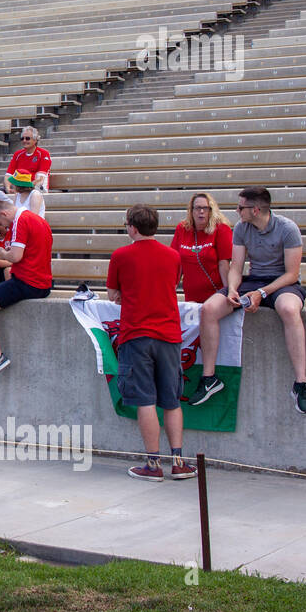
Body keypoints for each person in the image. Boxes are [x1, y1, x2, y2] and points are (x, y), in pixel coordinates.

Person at [189, 186, 306, 415]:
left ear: (255, 210)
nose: (237, 211)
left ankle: (301, 383)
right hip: (252, 280)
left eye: (241, 207)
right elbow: (236, 266)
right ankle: (209, 378)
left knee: (288, 308)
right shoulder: (242, 228)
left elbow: (292, 274)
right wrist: (233, 289)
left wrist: (262, 293)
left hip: (282, 283)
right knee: (209, 308)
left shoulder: (287, 229)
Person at [106, 205, 198, 482]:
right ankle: (179, 462)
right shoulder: (173, 255)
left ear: (132, 227)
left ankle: (153, 463)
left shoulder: (121, 255)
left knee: (145, 400)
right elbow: (174, 284)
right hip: (169, 335)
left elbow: (113, 295)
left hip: (137, 334)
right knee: (171, 401)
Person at [0, 200, 54, 379]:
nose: (2, 227)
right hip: (43, 282)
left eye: (0, 223)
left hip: (27, 282)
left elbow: (15, 257)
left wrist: (1, 254)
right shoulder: (38, 219)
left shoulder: (20, 220)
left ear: (4, 214)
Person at [170, 192, 233, 304]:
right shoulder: (182, 229)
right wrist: (170, 291)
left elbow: (224, 264)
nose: (202, 211)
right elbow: (176, 264)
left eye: (205, 208)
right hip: (191, 295)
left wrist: (228, 291)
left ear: (211, 210)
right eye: (198, 208)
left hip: (215, 295)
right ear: (191, 210)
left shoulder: (221, 229)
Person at [5, 127, 51, 193]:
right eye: (22, 138)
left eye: (27, 138)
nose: (24, 141)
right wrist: (8, 189)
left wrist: (23, 190)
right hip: (19, 189)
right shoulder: (17, 154)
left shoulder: (43, 154)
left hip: (36, 189)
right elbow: (8, 175)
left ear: (35, 140)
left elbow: (40, 179)